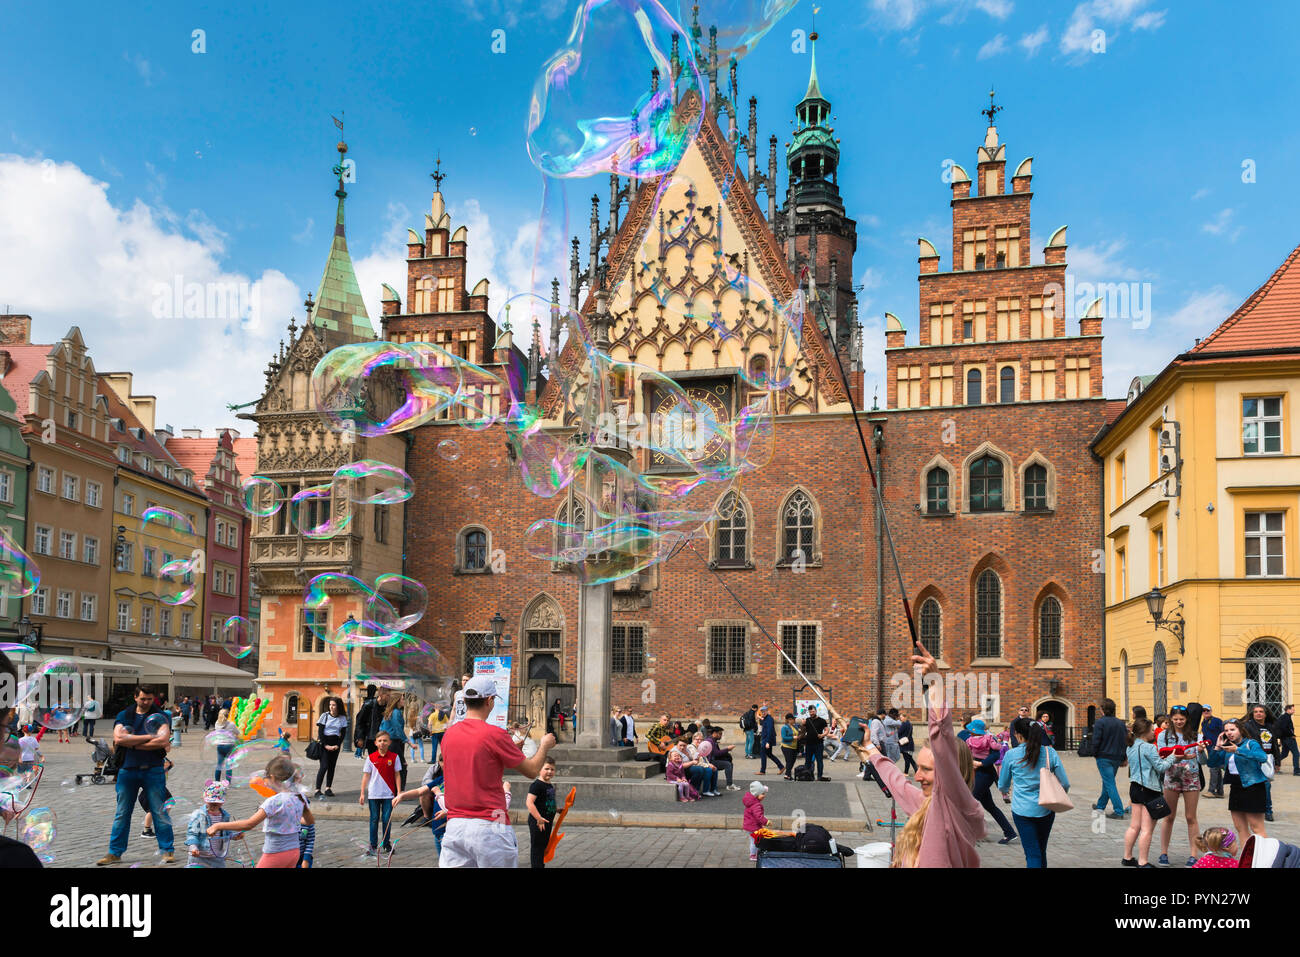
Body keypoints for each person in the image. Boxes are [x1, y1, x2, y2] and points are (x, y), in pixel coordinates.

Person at [851, 642, 985, 867]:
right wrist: (870, 749)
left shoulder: (956, 805)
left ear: (952, 772)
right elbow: (896, 783)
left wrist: (934, 685)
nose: (917, 776)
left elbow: (941, 738)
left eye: (928, 769)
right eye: (919, 768)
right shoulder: (926, 804)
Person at [439, 675, 557, 868]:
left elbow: (478, 763)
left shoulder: (449, 734)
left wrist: (511, 750)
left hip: (455, 825)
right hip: (490, 825)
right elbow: (532, 770)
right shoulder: (494, 734)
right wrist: (544, 746)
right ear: (489, 701)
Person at [96, 686, 174, 866]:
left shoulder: (161, 715)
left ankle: (167, 850)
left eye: (149, 699)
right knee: (122, 813)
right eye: (142, 699)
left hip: (153, 769)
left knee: (159, 811)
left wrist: (133, 743)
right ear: (135, 697)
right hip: (127, 769)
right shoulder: (125, 714)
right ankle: (115, 852)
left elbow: (162, 741)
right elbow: (119, 738)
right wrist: (149, 737)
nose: (146, 702)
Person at [209, 755, 314, 868]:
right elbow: (309, 821)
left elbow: (249, 824)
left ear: (272, 778)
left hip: (276, 852)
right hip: (294, 852)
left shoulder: (273, 802)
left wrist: (218, 825)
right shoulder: (300, 797)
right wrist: (288, 820)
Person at [998, 717, 1071, 868]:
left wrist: (1005, 791)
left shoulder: (1011, 755)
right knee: (1041, 850)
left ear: (1018, 735)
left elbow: (1003, 784)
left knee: (1032, 853)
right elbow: (1065, 783)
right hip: (1046, 807)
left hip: (1022, 809)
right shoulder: (1049, 752)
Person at [1122, 717, 1180, 868]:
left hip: (1134, 787)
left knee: (1134, 826)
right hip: (1149, 789)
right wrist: (1174, 757)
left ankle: (1127, 857)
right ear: (1145, 732)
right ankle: (1142, 861)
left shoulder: (1131, 746)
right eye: (1152, 731)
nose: (1154, 733)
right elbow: (1161, 767)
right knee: (1147, 829)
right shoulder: (1149, 747)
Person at [1204, 718, 1269, 841]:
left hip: (1253, 787)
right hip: (1236, 787)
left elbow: (1262, 757)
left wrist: (1238, 750)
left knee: (1256, 828)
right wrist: (1217, 746)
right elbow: (1212, 763)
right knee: (1240, 828)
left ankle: (1265, 858)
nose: (1229, 733)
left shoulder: (1251, 743)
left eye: (1232, 729)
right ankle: (1246, 859)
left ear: (1241, 730)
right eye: (1226, 730)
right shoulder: (1227, 747)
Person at [1156, 705, 1205, 867]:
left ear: (1187, 719)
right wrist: (1179, 756)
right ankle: (1163, 852)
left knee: (1191, 817)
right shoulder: (1164, 735)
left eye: (1181, 719)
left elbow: (1203, 761)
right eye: (1175, 719)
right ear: (1170, 719)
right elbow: (1162, 756)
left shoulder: (1196, 735)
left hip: (1191, 778)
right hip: (1171, 777)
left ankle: (1193, 855)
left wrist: (1201, 750)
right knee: (1168, 816)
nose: (1178, 722)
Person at [969, 731, 1017, 845]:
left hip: (984, 776)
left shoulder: (988, 739)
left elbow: (996, 755)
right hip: (980, 775)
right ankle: (1009, 832)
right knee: (990, 806)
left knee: (970, 802)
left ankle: (970, 833)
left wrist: (981, 764)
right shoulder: (967, 737)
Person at [359, 730, 402, 856]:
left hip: (389, 794)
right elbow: (366, 776)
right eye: (380, 741)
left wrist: (399, 792)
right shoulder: (371, 758)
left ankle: (386, 844)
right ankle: (372, 845)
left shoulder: (394, 757)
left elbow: (397, 775)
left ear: (389, 742)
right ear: (376, 743)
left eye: (385, 740)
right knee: (374, 819)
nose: (382, 743)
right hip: (374, 794)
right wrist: (362, 793)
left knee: (386, 819)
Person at [1091, 697, 1130, 818]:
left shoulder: (1100, 722)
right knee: (1108, 782)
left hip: (1104, 756)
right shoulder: (1120, 723)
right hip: (1117, 757)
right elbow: (1125, 741)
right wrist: (1124, 757)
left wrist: (1094, 753)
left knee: (1109, 783)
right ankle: (1101, 805)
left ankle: (1119, 811)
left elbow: (1096, 740)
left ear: (1102, 710)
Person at [185, 780, 237, 868]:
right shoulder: (199, 814)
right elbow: (192, 834)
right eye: (211, 802)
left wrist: (235, 836)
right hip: (199, 857)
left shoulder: (225, 816)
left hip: (217, 857)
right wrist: (193, 847)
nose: (214, 805)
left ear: (223, 802)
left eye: (217, 803)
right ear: (205, 799)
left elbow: (226, 832)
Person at [1243, 704, 1277, 821]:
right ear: (1252, 714)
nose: (1258, 713)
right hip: (1253, 759)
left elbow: (1275, 745)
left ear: (1265, 714)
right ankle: (1257, 809)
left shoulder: (1270, 726)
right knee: (1254, 785)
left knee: (1266, 786)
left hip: (1267, 759)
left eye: (1261, 711)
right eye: (1256, 711)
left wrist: (1277, 762)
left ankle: (1267, 810)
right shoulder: (1248, 726)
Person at [526, 755, 558, 869]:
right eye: (546, 769)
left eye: (552, 769)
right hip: (538, 822)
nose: (550, 771)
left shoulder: (549, 785)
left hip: (547, 821)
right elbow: (529, 803)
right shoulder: (537, 785)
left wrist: (556, 810)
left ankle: (540, 865)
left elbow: (548, 801)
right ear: (539, 769)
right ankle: (536, 866)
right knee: (537, 847)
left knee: (544, 845)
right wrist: (538, 818)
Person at [314, 697, 346, 796]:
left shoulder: (342, 718)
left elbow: (343, 733)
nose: (331, 707)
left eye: (333, 705)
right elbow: (320, 732)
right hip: (324, 742)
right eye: (330, 705)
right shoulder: (325, 716)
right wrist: (325, 745)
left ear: (338, 706)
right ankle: (317, 790)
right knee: (324, 766)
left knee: (332, 767)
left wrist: (337, 745)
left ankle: (328, 788)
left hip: (335, 743)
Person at [380, 693, 409, 792]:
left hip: (388, 742)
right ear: (397, 701)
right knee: (402, 765)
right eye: (402, 699)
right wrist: (407, 741)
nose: (404, 701)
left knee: (391, 765)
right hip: (394, 742)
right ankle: (399, 791)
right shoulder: (396, 712)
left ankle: (390, 789)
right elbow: (397, 728)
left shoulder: (389, 712)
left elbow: (381, 727)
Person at [1200, 705, 1225, 798]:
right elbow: (1206, 735)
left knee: (1214, 769)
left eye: (1207, 710)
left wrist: (1221, 745)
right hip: (1210, 748)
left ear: (1211, 711)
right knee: (1217, 769)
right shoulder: (1203, 722)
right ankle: (1219, 791)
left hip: (1217, 748)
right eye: (1203, 710)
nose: (1205, 712)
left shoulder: (1217, 720)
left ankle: (1212, 790)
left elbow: (1223, 732)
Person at [743, 780, 770, 862]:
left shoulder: (751, 801)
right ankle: (753, 855)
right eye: (762, 794)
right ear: (756, 795)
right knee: (755, 841)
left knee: (755, 839)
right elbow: (759, 816)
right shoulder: (756, 805)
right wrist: (766, 822)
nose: (764, 796)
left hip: (750, 825)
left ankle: (756, 852)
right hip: (753, 826)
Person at [353, 684, 381, 755]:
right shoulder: (369, 703)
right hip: (370, 734)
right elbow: (360, 720)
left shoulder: (366, 702)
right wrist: (360, 737)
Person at [803, 706, 830, 781]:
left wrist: (822, 735)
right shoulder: (807, 720)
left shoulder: (822, 721)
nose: (811, 713)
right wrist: (802, 724)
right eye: (810, 712)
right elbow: (803, 731)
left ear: (816, 711)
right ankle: (808, 776)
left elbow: (827, 730)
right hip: (808, 744)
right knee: (807, 761)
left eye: (813, 712)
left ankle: (819, 776)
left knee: (819, 761)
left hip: (818, 744)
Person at [211, 708, 237, 782]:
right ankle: (227, 782)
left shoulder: (217, 723)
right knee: (228, 765)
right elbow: (237, 733)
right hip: (229, 746)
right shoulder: (231, 724)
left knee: (219, 765)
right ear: (227, 716)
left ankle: (216, 781)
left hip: (220, 746)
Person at [758, 705, 783, 775]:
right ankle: (781, 767)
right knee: (769, 754)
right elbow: (761, 723)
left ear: (767, 711)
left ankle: (762, 771)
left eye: (764, 711)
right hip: (765, 738)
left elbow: (770, 731)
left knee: (763, 754)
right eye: (762, 712)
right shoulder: (765, 718)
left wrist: (768, 742)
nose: (763, 713)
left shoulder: (769, 719)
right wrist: (760, 718)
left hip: (767, 739)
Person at [1277, 704, 1299, 775]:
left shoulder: (1284, 717)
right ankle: (1296, 771)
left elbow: (1281, 729)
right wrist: (1291, 735)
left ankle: (1273, 764)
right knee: (1296, 754)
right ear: (1288, 710)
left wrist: (1281, 739)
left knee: (1284, 754)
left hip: (1284, 738)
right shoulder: (1286, 717)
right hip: (1289, 738)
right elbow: (1284, 728)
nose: (1294, 711)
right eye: (1292, 709)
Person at [780, 713, 800, 780]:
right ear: (789, 720)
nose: (794, 720)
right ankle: (787, 775)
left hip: (794, 747)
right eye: (793, 719)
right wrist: (793, 737)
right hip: (786, 746)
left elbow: (799, 733)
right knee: (789, 761)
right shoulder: (784, 727)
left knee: (793, 761)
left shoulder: (795, 726)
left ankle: (787, 774)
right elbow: (784, 737)